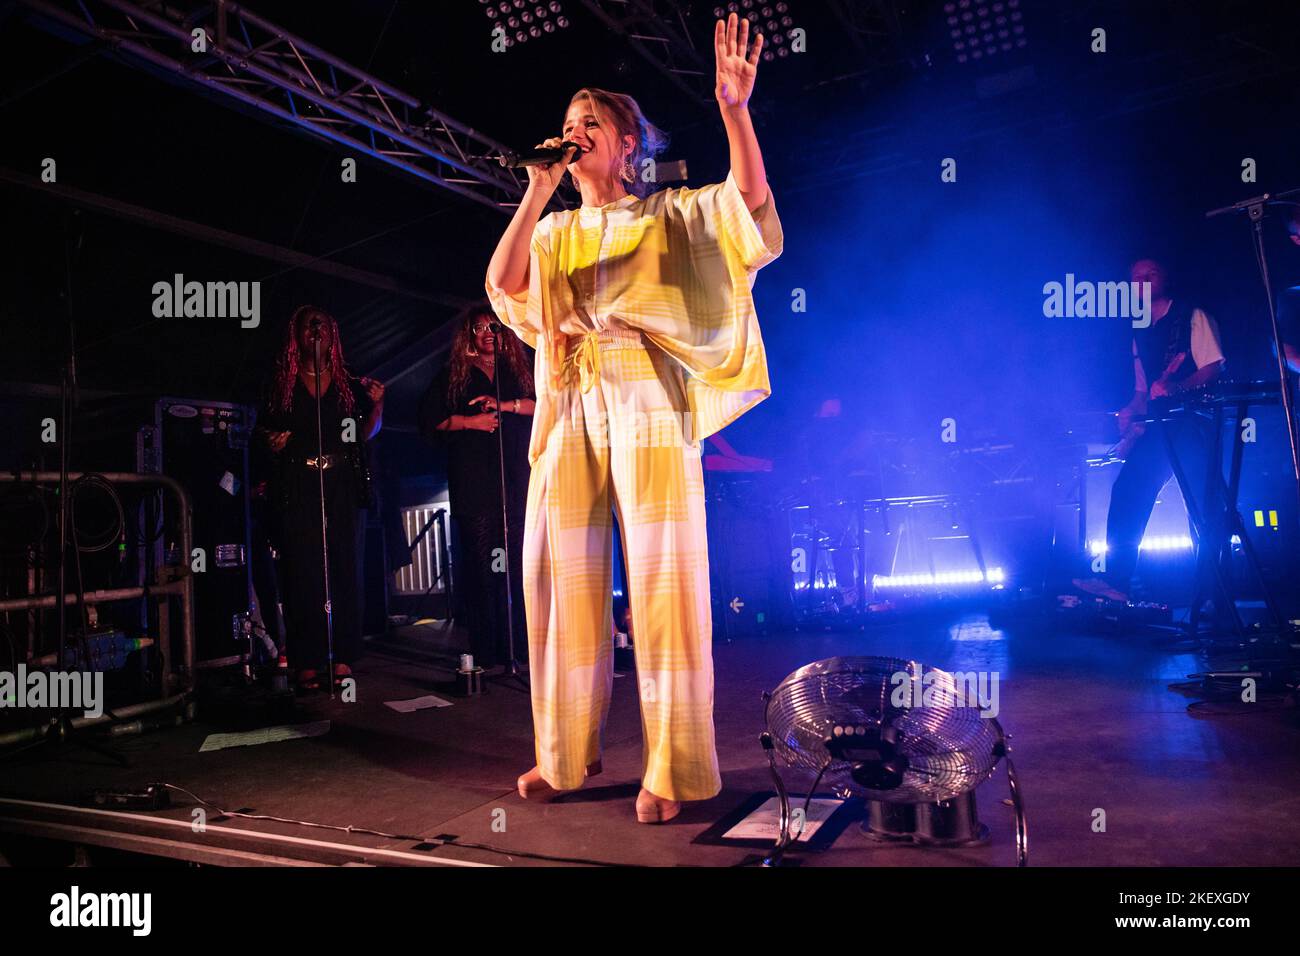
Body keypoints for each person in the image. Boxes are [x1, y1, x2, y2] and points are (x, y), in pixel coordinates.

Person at [484, 13, 782, 823]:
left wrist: (734, 111)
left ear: (625, 147)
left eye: (593, 125)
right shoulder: (552, 234)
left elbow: (749, 212)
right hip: (571, 400)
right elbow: (504, 285)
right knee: (558, 581)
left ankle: (676, 769)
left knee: (663, 582)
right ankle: (562, 757)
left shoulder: (668, 217)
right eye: (569, 123)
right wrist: (537, 189)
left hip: (646, 397)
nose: (575, 134)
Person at [1073, 259, 1226, 603]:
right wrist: (1131, 410)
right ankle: (1118, 582)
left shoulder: (1192, 315)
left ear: (1165, 277)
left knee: (1203, 506)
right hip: (1160, 427)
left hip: (1193, 423)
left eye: (1151, 274)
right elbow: (1143, 392)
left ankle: (1216, 593)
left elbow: (1213, 367)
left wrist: (1177, 386)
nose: (1143, 281)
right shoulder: (1139, 330)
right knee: (1129, 490)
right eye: (1136, 277)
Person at [260, 306, 384, 690]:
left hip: (339, 481)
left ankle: (344, 655)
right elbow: (265, 427)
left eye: (324, 325)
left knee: (344, 566)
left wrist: (378, 405)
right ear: (297, 335)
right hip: (300, 480)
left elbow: (359, 436)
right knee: (303, 569)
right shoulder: (283, 383)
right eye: (309, 325)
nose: (317, 331)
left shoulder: (346, 383)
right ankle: (307, 659)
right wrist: (271, 440)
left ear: (333, 334)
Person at [418, 303, 535, 671]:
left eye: (494, 326)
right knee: (485, 568)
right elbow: (430, 420)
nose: (488, 332)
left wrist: (506, 405)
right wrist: (472, 422)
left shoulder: (516, 372)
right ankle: (487, 650)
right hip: (474, 480)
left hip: (514, 477)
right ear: (469, 334)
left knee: (518, 565)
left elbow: (544, 406)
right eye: (481, 327)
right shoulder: (454, 375)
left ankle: (522, 647)